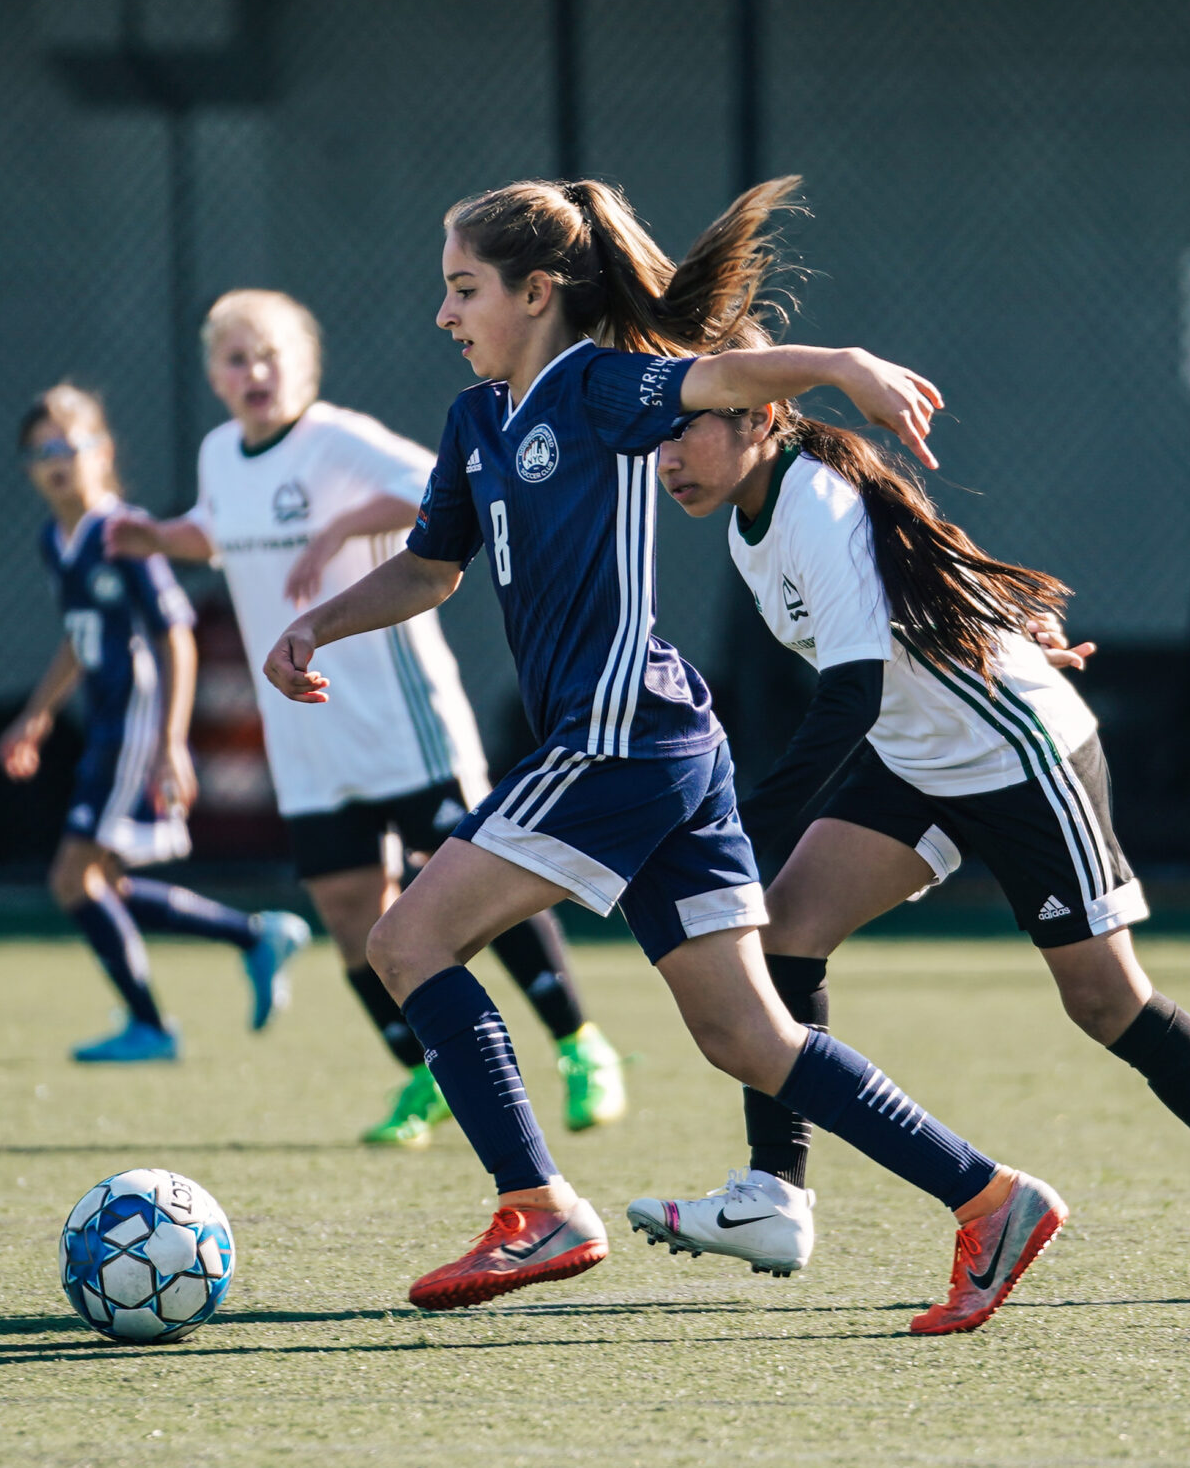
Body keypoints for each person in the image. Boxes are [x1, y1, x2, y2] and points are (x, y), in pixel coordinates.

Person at [265, 176, 1065, 1334]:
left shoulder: (594, 386)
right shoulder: (474, 421)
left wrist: (841, 360)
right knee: (745, 1034)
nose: (444, 315)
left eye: (463, 288)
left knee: (407, 935)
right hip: (655, 740)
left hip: (619, 735)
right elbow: (434, 570)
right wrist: (315, 622)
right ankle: (990, 1197)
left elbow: (727, 378)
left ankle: (535, 1203)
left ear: (537, 292)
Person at [644, 188, 1190, 1302]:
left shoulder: (811, 499)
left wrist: (730, 824)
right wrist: (996, 613)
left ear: (760, 413)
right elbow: (914, 566)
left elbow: (841, 700)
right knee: (785, 932)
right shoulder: (746, 516)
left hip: (1019, 751)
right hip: (920, 754)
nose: (664, 453)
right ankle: (772, 1196)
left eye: (683, 424)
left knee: (1104, 1001)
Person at [107, 289, 626, 1147]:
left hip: (397, 718)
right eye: (236, 358)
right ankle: (425, 1078)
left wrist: (338, 524)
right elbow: (218, 529)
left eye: (270, 354)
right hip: (306, 733)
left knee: (475, 879)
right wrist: (155, 537)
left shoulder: (336, 440)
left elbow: (438, 481)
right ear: (214, 374)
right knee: (349, 907)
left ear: (305, 366)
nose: (255, 371)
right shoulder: (220, 454)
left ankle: (579, 1042)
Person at [0, 384, 309, 1064]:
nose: (56, 462)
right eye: (41, 451)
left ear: (102, 452)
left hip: (136, 720)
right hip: (106, 716)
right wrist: (37, 715)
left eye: (69, 446)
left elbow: (177, 635)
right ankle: (252, 937)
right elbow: (77, 639)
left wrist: (171, 741)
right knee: (99, 882)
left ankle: (151, 1026)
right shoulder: (56, 541)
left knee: (71, 879)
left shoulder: (125, 532)